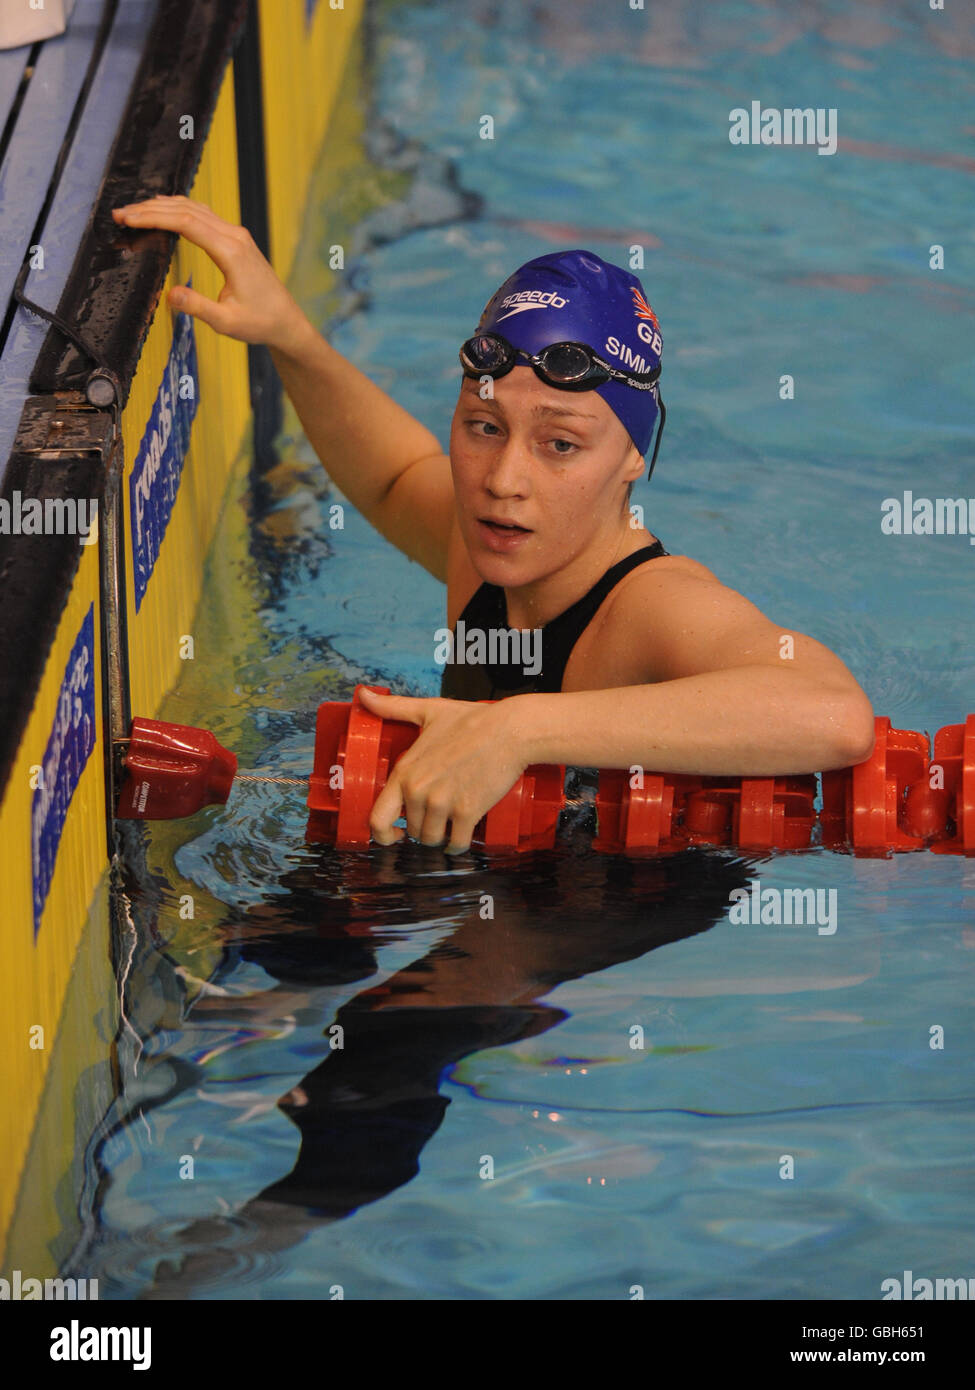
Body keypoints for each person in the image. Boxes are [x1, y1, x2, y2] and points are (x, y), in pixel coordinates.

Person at [112, 196, 876, 852]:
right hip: (480, 850)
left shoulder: (654, 606)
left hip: (616, 903)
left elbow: (831, 715)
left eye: (561, 445)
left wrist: (518, 730)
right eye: (483, 426)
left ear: (631, 458)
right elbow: (390, 477)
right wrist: (290, 336)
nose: (504, 481)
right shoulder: (489, 544)